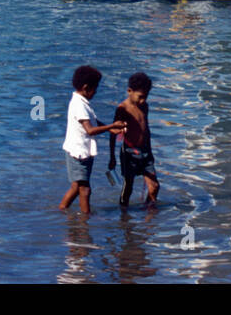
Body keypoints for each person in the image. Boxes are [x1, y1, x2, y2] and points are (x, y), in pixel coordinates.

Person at [58, 66, 125, 216]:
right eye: (95, 88)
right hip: (78, 153)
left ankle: (62, 210)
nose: (96, 92)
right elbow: (90, 130)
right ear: (86, 88)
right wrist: (112, 125)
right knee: (85, 189)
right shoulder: (79, 105)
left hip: (82, 151)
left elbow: (93, 122)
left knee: (76, 187)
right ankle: (85, 220)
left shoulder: (81, 102)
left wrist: (109, 129)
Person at [109, 71, 159, 207]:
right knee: (128, 187)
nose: (143, 100)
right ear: (129, 91)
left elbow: (146, 129)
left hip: (145, 151)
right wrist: (112, 157)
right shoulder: (122, 109)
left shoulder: (145, 106)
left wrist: (150, 151)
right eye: (140, 97)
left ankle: (148, 217)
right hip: (129, 153)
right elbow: (113, 132)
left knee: (154, 187)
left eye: (146, 97)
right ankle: (124, 218)